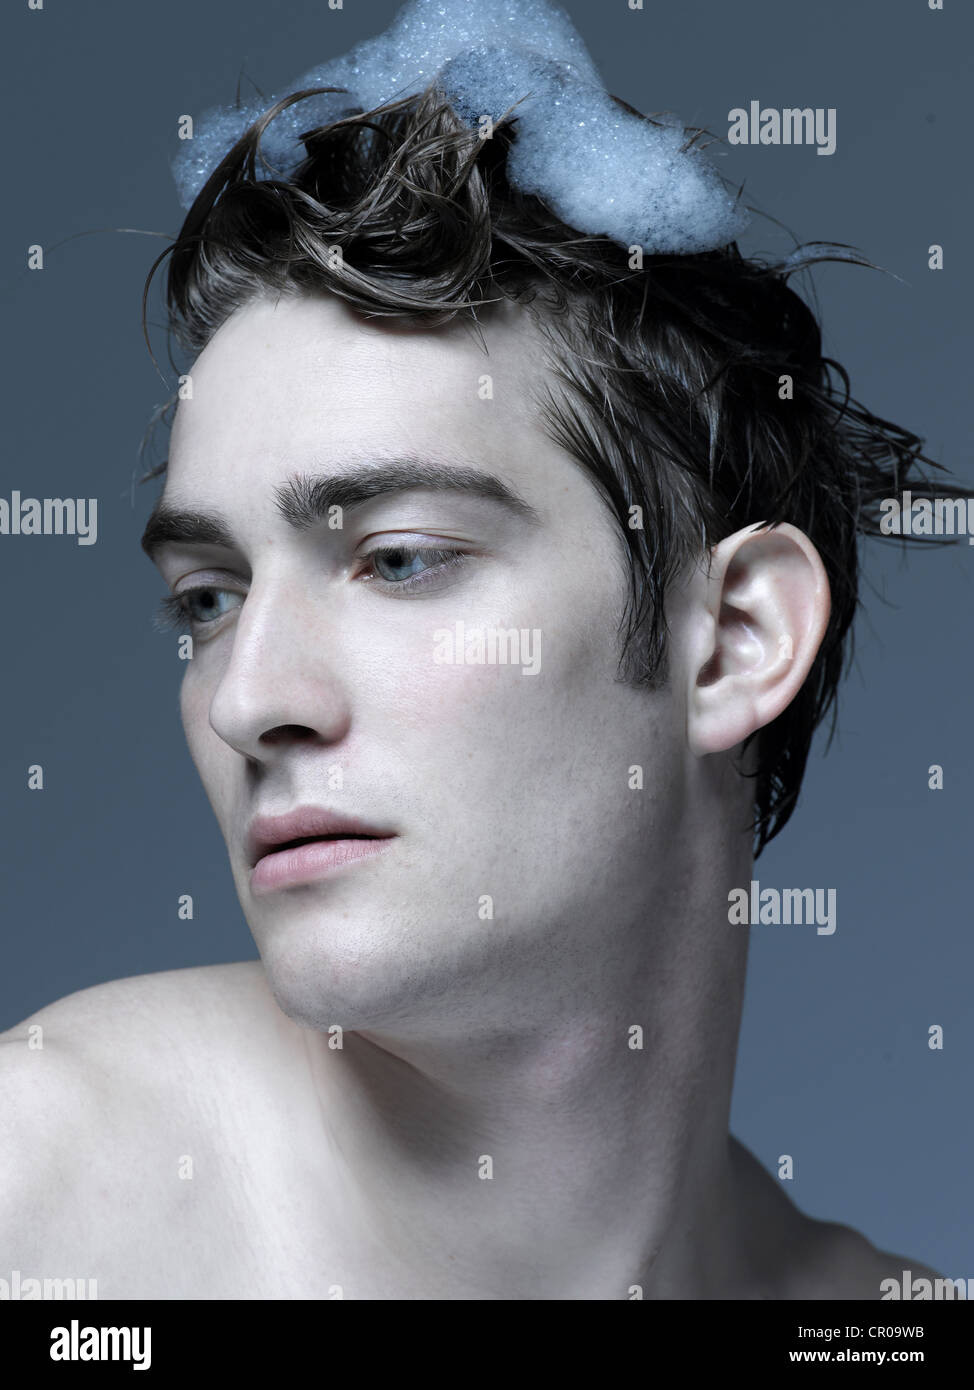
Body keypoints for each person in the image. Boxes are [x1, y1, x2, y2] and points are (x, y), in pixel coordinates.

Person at [1, 22, 957, 1300]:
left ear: (733, 641)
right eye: (210, 597)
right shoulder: (45, 1195)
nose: (247, 700)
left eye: (396, 560)